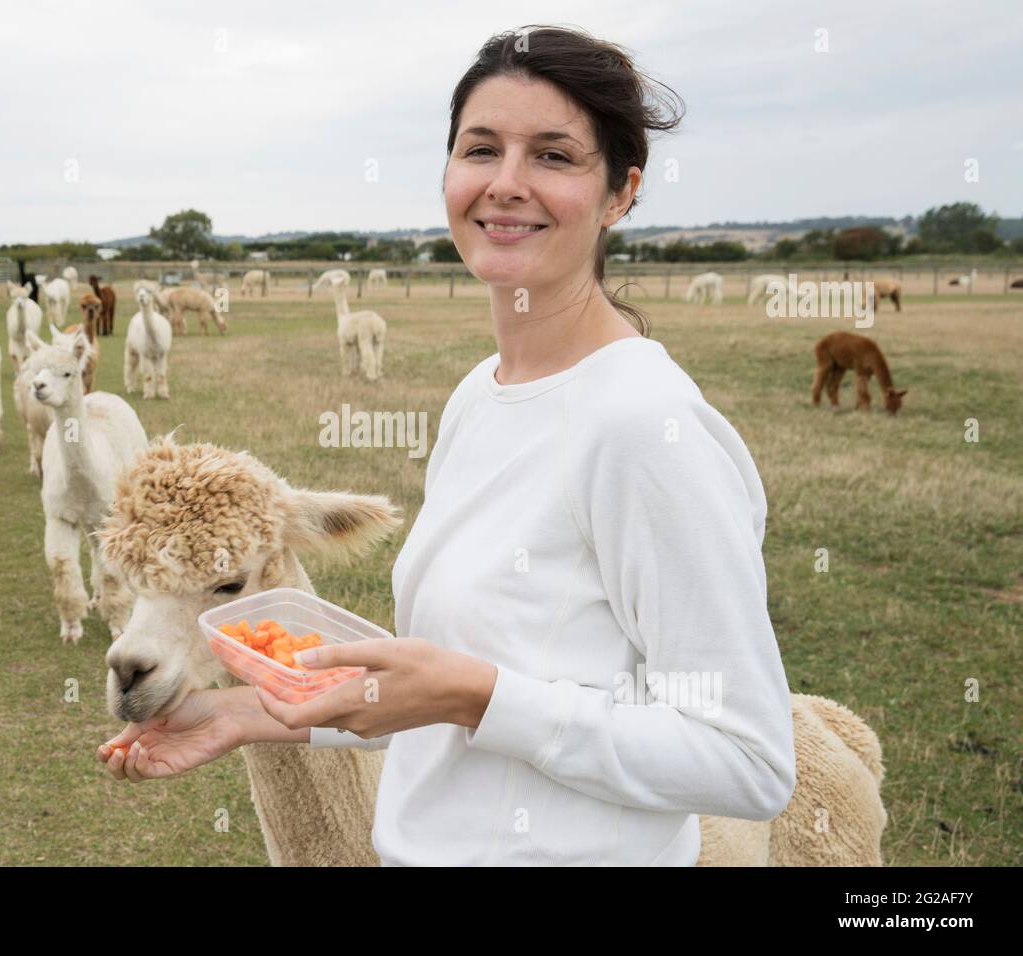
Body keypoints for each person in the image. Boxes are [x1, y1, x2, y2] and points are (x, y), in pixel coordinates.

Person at [100, 24, 796, 866]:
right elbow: (456, 702)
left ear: (621, 193)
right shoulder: (482, 397)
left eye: (553, 156)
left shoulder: (643, 427)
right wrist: (242, 715)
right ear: (447, 175)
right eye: (480, 150)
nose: (506, 184)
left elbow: (750, 764)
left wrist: (476, 696)